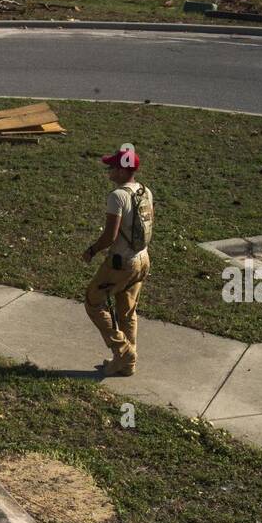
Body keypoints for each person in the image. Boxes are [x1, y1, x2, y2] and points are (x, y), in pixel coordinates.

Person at [81, 147, 154, 377]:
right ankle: (125, 364)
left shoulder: (117, 196)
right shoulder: (145, 191)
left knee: (93, 301)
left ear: (123, 171)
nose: (109, 170)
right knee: (127, 311)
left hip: (121, 262)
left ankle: (123, 351)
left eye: (112, 167)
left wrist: (91, 251)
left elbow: (110, 236)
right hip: (142, 259)